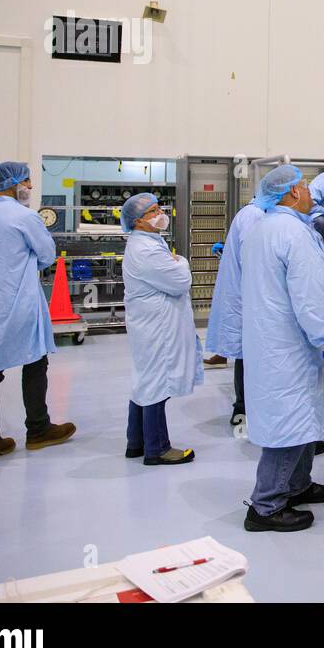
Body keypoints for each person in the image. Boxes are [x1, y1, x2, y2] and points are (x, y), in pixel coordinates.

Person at [241, 164, 324, 532]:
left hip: (274, 341)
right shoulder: (293, 234)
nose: (310, 191)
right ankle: (265, 506)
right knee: (290, 421)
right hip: (291, 344)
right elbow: (310, 297)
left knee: (300, 418)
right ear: (293, 193)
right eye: (304, 186)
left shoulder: (264, 228)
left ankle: (297, 486)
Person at [0, 162, 76, 463]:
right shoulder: (23, 216)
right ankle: (38, 430)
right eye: (27, 181)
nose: (29, 187)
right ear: (14, 183)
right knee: (35, 362)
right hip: (20, 301)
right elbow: (46, 254)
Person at [121, 193, 202, 465]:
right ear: (138, 221)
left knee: (145, 380)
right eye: (152, 211)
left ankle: (137, 441)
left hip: (151, 322)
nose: (160, 214)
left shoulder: (147, 243)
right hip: (158, 326)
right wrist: (183, 263)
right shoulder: (145, 249)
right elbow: (179, 281)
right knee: (157, 383)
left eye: (159, 208)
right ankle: (158, 449)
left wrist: (175, 262)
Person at [205, 197, 265, 425]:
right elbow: (254, 257)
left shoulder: (252, 213)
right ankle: (243, 410)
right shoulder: (255, 215)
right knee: (247, 356)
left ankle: (244, 408)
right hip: (249, 300)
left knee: (245, 354)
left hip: (246, 299)